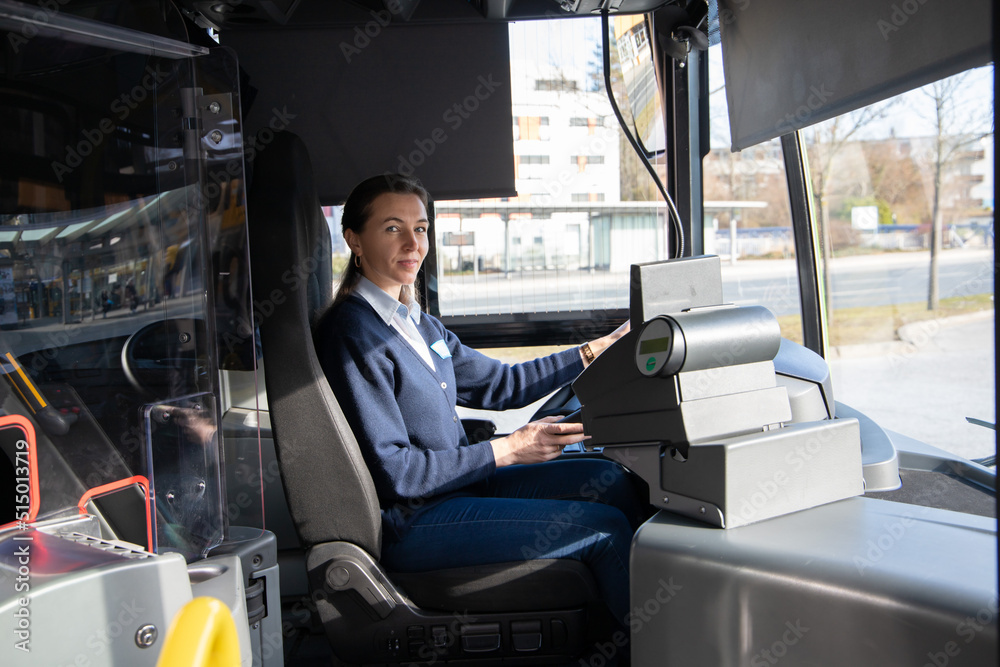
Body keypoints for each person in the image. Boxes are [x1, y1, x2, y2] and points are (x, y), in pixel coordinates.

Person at [316, 174, 645, 627]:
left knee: (612, 480)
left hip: (461, 487)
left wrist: (594, 351)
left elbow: (504, 385)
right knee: (604, 530)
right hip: (417, 519)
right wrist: (511, 447)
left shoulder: (419, 325)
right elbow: (398, 472)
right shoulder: (355, 333)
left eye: (422, 228)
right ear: (353, 239)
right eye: (393, 228)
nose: (413, 243)